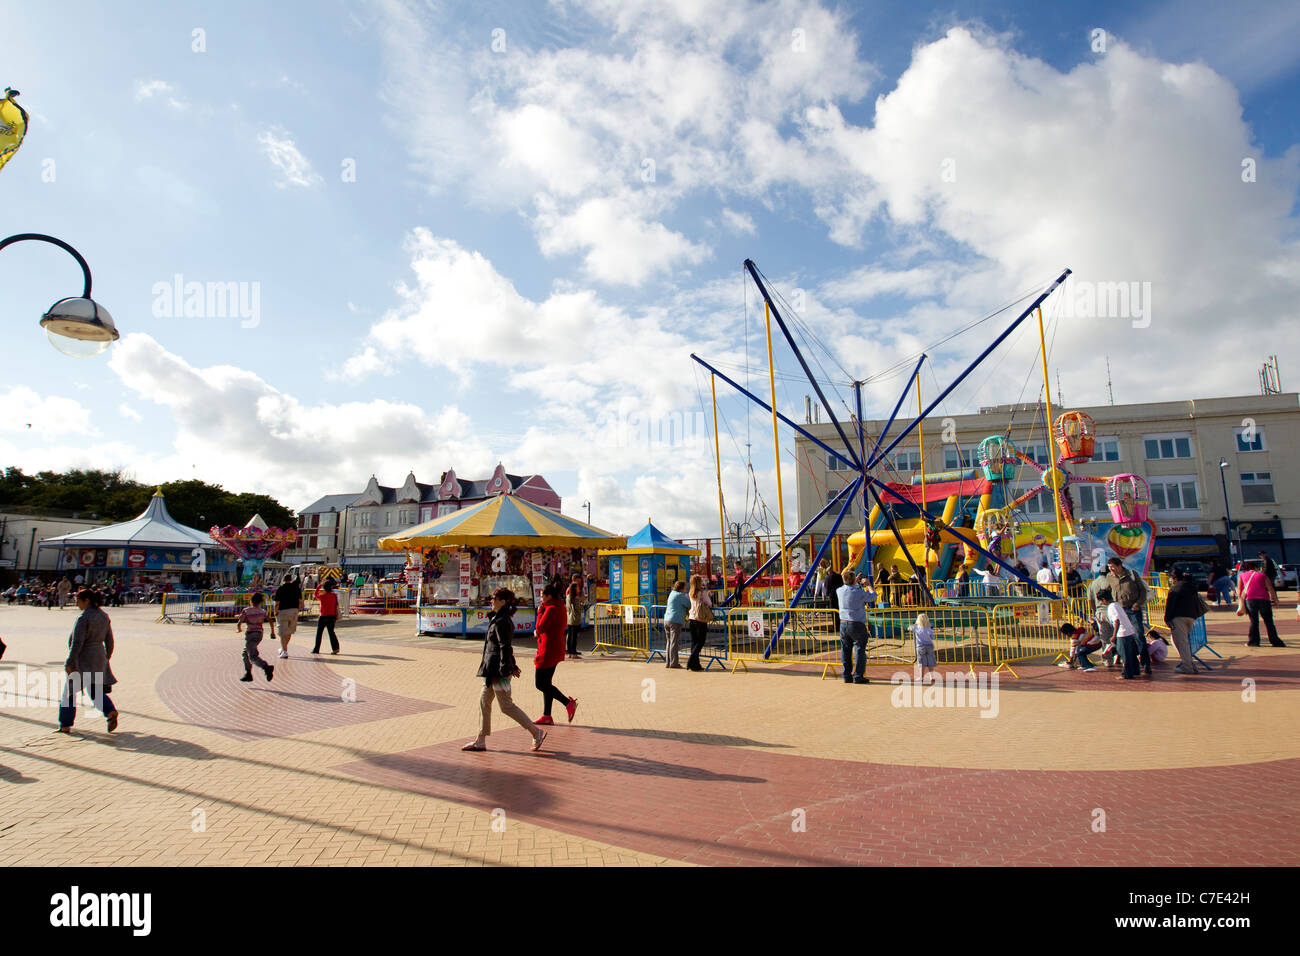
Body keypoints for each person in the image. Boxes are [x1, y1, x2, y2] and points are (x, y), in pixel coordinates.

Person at [462, 588, 546, 753]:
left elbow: (505, 647)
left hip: (498, 672)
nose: (491, 601)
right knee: (484, 702)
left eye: (494, 598)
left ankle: (536, 732)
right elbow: (503, 647)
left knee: (506, 706)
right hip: (491, 670)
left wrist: (506, 668)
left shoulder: (502, 621)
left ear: (503, 601)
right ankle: (480, 740)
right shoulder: (497, 619)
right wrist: (512, 665)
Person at [57, 589, 120, 733]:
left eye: (78, 600)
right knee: (95, 690)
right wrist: (106, 657)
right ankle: (110, 711)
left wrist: (70, 662)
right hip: (98, 656)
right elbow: (110, 640)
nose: (77, 603)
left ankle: (65, 724)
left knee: (69, 692)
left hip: (83, 657)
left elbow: (77, 642)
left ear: (87, 600)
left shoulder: (84, 617)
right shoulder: (104, 616)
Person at [532, 584, 576, 726]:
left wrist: (539, 612)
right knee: (547, 683)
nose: (541, 598)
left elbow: (540, 627)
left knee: (540, 684)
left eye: (542, 596)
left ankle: (567, 703)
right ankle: (547, 715)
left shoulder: (550, 609)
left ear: (549, 596)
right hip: (555, 648)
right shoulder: (560, 606)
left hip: (548, 649)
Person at [1106, 558, 1150, 677]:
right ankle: (1131, 663)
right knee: (1124, 638)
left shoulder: (1132, 574)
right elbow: (1108, 591)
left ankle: (1146, 663)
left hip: (1133, 609)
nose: (1111, 569)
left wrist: (1138, 604)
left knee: (1138, 636)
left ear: (1119, 566)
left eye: (1113, 567)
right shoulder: (1109, 577)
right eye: (1109, 567)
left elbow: (1143, 591)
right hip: (1120, 610)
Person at [1163, 567, 1203, 674]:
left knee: (1180, 642)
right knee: (1183, 641)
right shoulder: (1191, 586)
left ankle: (1187, 666)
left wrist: (1167, 618)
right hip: (1191, 616)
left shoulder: (1175, 588)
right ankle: (1190, 664)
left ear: (1173, 578)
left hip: (1178, 617)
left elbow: (1170, 605)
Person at [1237, 560, 1286, 647]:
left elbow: (1240, 591)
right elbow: (1270, 587)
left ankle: (1253, 642)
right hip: (1264, 599)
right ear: (1255, 567)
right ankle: (1275, 641)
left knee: (1254, 621)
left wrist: (1241, 603)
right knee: (1269, 621)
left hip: (1250, 600)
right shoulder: (1262, 575)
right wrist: (1275, 599)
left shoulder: (1242, 576)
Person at [835, 571, 871, 685]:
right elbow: (873, 597)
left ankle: (846, 675)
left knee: (845, 650)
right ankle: (858, 675)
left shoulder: (839, 591)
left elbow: (847, 584)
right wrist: (868, 585)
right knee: (860, 649)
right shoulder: (859, 592)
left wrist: (854, 581)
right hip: (857, 623)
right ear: (854, 579)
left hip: (844, 623)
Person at [1100, 587, 1140, 680]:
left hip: (1122, 633)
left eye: (1101, 601)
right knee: (1131, 653)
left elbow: (1116, 621)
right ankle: (1135, 670)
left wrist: (1114, 635)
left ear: (1104, 600)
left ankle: (1126, 673)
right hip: (1129, 631)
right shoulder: (1116, 605)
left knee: (1124, 654)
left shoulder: (1111, 607)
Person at [236, 592, 276, 683]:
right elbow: (270, 620)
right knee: (245, 653)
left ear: (251, 601)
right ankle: (248, 674)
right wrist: (272, 632)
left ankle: (266, 667)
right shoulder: (262, 611)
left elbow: (239, 622)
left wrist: (239, 629)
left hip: (251, 635)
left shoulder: (246, 610)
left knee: (252, 656)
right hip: (259, 634)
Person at [687, 574, 713, 672]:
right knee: (701, 642)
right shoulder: (702, 593)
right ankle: (690, 661)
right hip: (700, 619)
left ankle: (695, 665)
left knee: (694, 642)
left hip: (692, 618)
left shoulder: (691, 592)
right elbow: (709, 604)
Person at [273, 572, 302, 659]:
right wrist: (298, 610)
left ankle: (284, 651)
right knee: (289, 632)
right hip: (294, 611)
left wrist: (275, 612)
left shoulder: (280, 589)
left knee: (282, 633)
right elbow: (300, 601)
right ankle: (283, 648)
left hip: (283, 612)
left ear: (283, 580)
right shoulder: (296, 588)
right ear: (291, 579)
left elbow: (277, 603)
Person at [663, 580, 690, 669]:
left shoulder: (672, 594)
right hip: (675, 620)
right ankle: (674, 663)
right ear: (681, 588)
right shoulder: (680, 596)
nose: (686, 589)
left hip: (667, 619)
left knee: (669, 642)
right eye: (685, 587)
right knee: (674, 642)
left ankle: (668, 662)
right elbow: (689, 604)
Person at [312, 579, 341, 654]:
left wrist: (319, 586)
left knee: (319, 633)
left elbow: (315, 594)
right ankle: (335, 647)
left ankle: (316, 648)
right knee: (331, 632)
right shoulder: (334, 595)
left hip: (323, 616)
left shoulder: (322, 596)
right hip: (332, 616)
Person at [910, 611, 935, 680]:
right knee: (930, 662)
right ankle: (931, 676)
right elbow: (933, 637)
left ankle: (921, 677)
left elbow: (909, 628)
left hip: (920, 646)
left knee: (921, 662)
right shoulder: (929, 628)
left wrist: (915, 624)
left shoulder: (916, 628)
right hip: (929, 646)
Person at [565, 579, 584, 660]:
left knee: (570, 636)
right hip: (575, 619)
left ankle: (569, 652)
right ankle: (573, 653)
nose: (578, 589)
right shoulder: (576, 598)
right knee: (574, 636)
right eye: (577, 587)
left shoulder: (568, 597)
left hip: (569, 618)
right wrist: (582, 604)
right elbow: (578, 609)